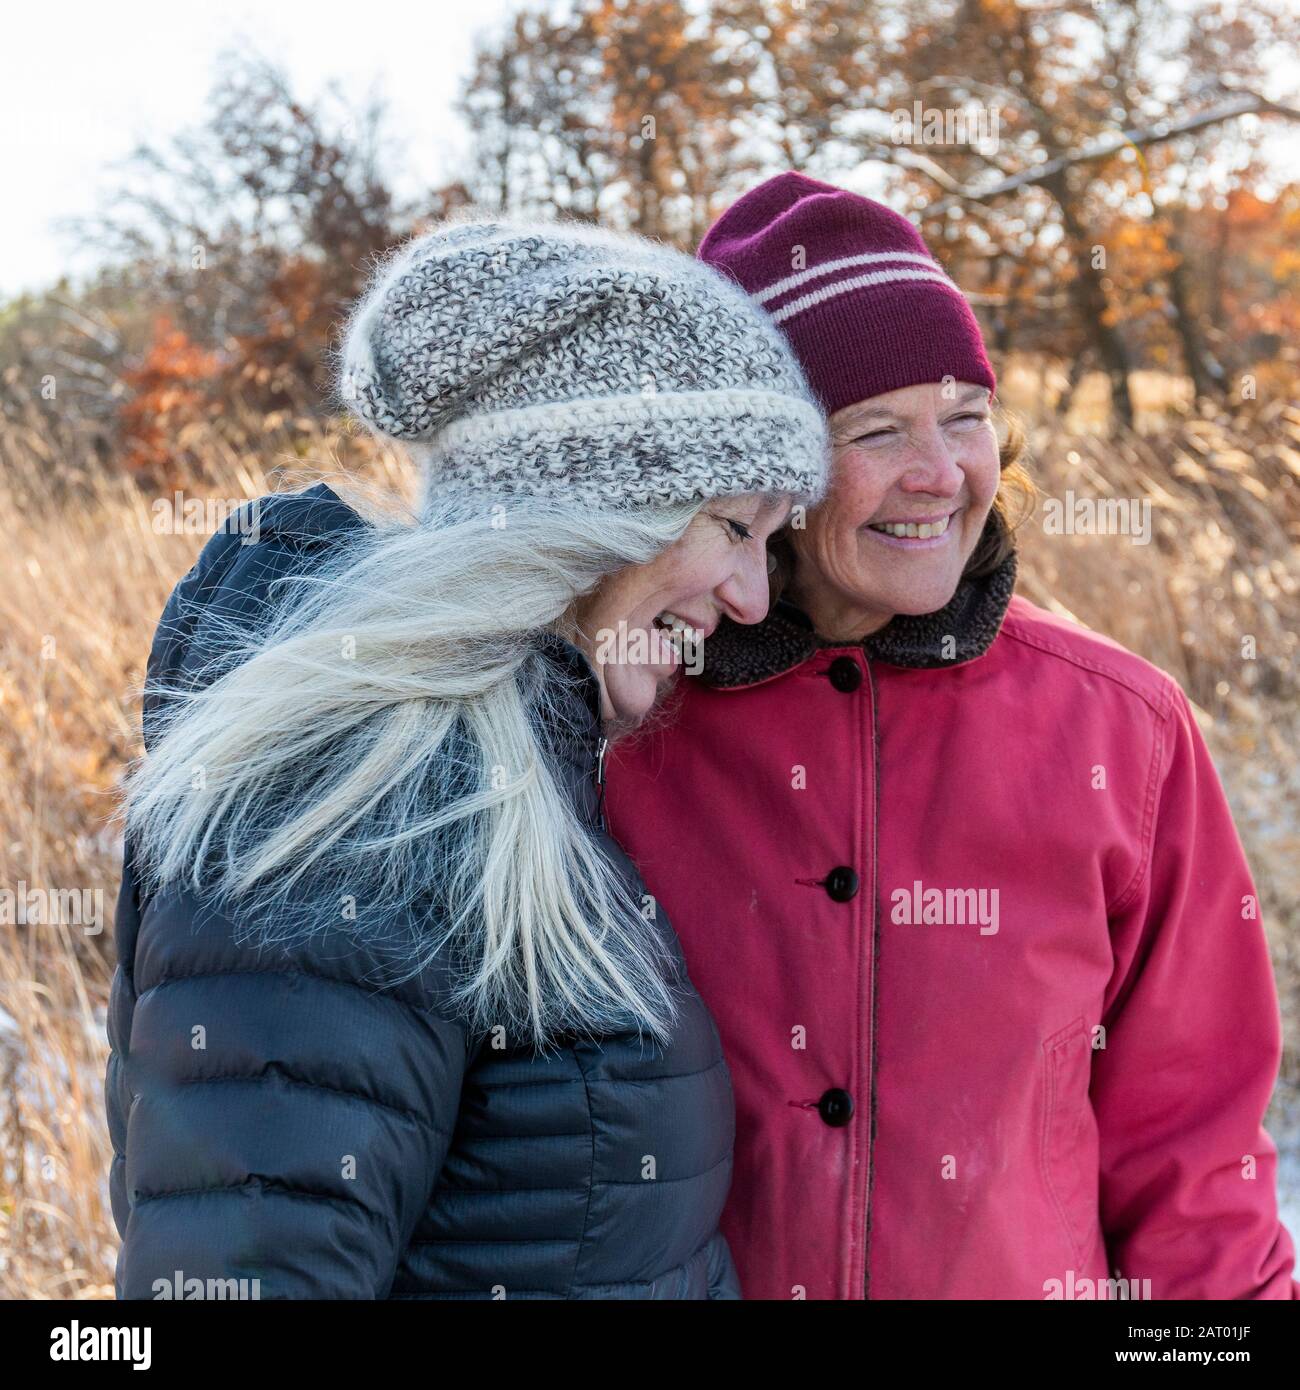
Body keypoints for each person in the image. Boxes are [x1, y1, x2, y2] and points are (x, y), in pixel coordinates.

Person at [105, 215, 829, 1299]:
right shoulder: (367, 797)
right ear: (587, 509)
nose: (753, 595)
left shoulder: (505, 764)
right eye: (731, 525)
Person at [605, 171, 1299, 1300]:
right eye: (874, 430)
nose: (940, 474)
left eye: (964, 415)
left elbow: (1193, 1162)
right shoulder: (626, 718)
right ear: (759, 474)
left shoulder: (1125, 732)